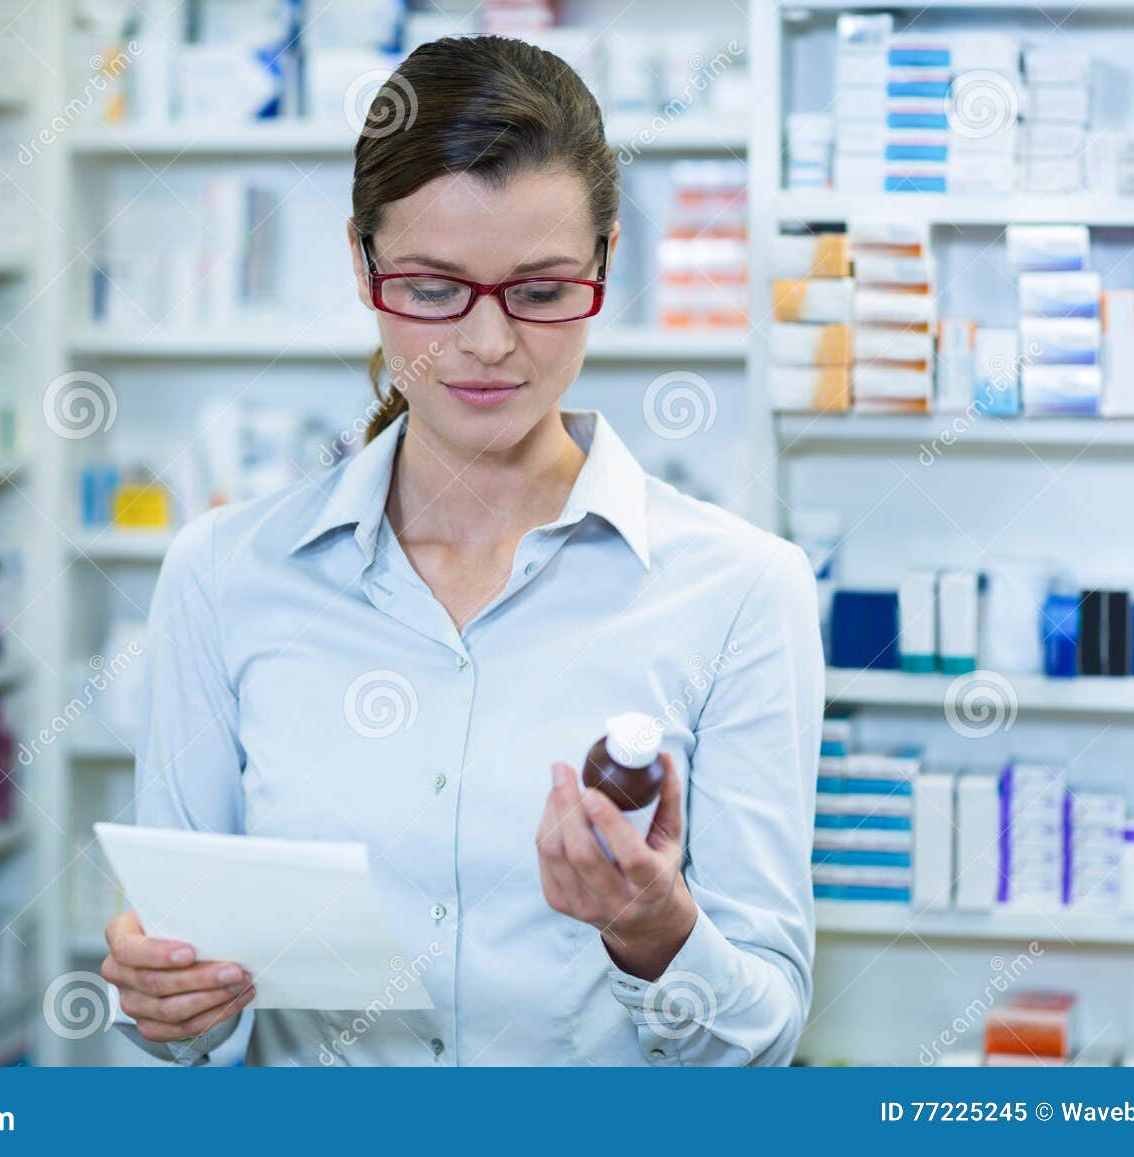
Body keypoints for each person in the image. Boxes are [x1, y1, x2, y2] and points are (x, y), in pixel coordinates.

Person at [100, 35, 822, 1067]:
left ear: (606, 262)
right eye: (435, 288)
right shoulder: (224, 574)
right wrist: (176, 1003)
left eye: (538, 290)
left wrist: (654, 931)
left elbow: (763, 1030)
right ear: (361, 263)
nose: (487, 344)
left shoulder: (742, 589)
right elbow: (183, 1009)